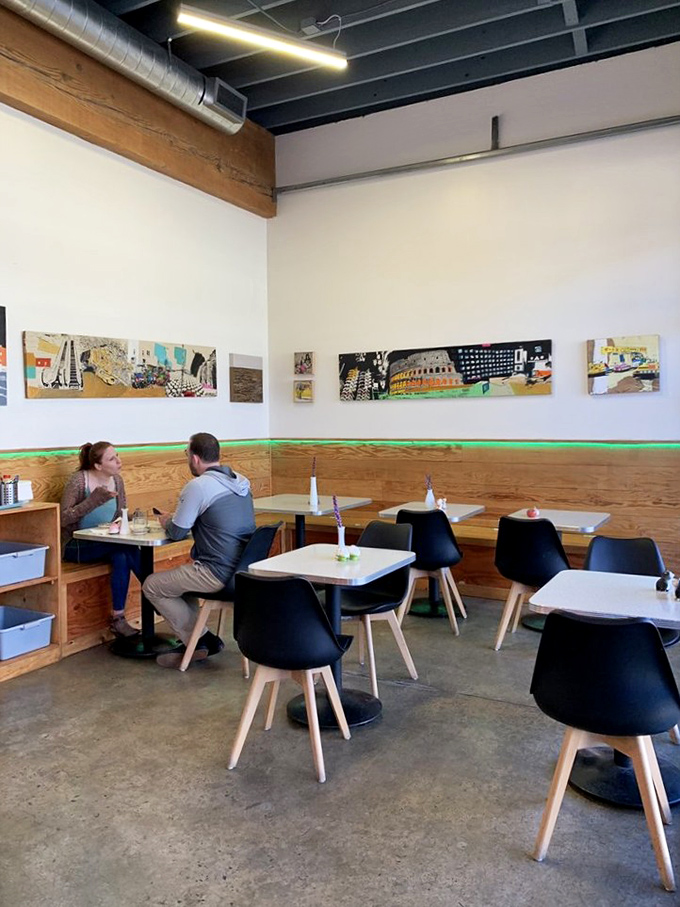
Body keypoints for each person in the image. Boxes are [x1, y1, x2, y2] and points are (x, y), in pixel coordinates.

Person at [143, 432, 255, 668]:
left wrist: (165, 521)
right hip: (243, 572)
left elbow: (177, 532)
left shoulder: (198, 486)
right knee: (181, 586)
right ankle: (194, 641)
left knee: (152, 586)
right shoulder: (242, 481)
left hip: (214, 572)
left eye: (186, 454)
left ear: (194, 458)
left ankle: (202, 639)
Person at [61, 441, 143, 638]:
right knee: (123, 549)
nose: (118, 461)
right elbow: (63, 518)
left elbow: (119, 515)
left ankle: (118, 618)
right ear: (98, 465)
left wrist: (134, 518)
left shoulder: (118, 480)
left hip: (107, 543)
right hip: (76, 545)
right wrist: (93, 501)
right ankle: (155, 589)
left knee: (122, 553)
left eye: (117, 456)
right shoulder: (80, 481)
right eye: (112, 459)